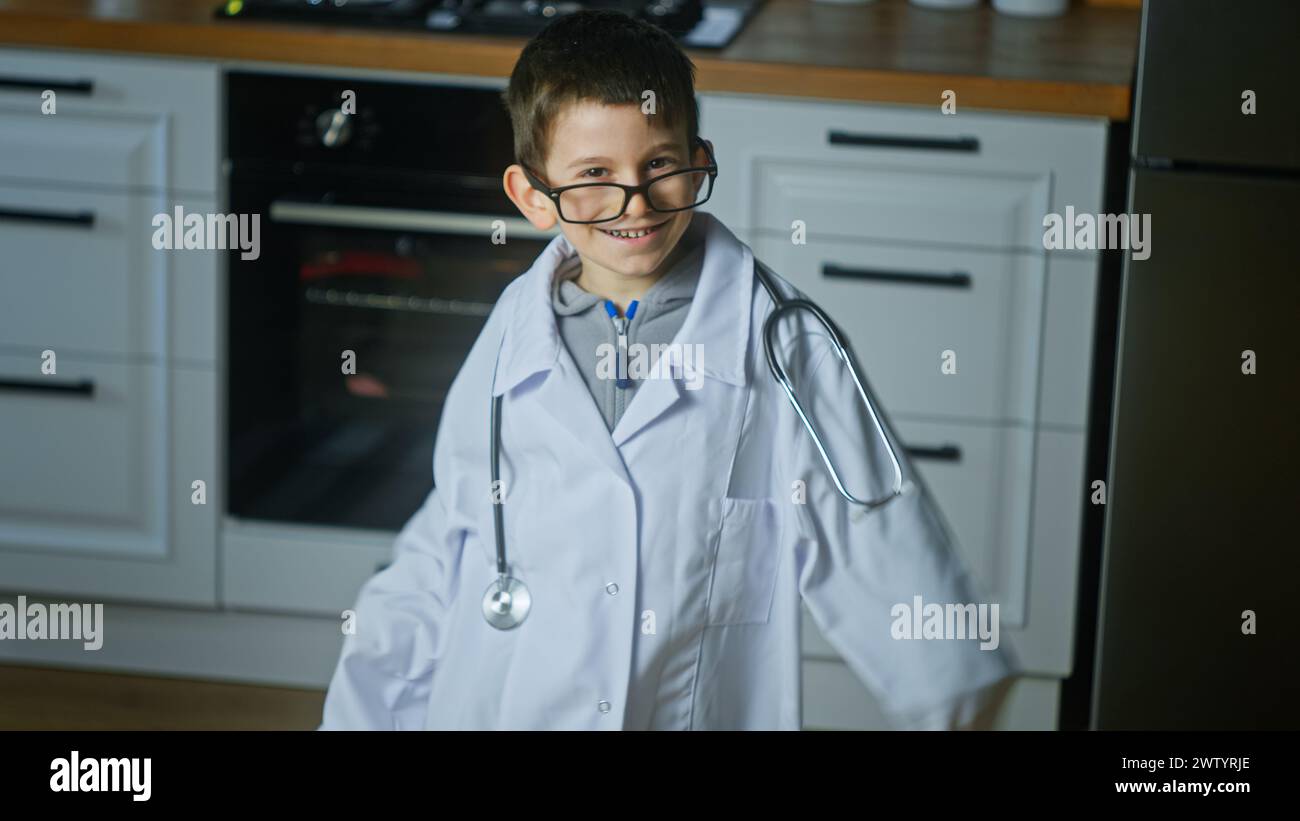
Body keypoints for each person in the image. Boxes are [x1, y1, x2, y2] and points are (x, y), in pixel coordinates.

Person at [320, 9, 1018, 730]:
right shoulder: (512, 332)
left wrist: (952, 691)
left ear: (701, 158)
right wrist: (368, 705)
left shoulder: (780, 339)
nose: (634, 203)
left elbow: (870, 527)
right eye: (593, 176)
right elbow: (456, 525)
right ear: (532, 195)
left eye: (659, 164)